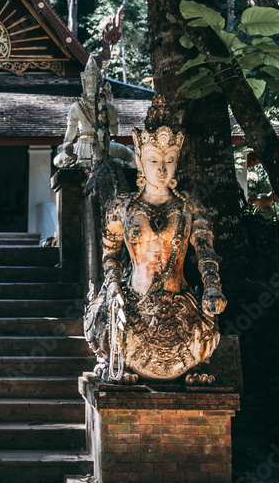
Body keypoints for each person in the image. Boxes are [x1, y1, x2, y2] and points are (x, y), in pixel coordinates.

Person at [85, 95, 226, 381]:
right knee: (105, 325)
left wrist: (212, 287)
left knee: (206, 335)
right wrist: (113, 290)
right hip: (134, 301)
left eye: (169, 160)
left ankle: (193, 366)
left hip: (180, 302)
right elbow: (110, 255)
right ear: (140, 160)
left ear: (177, 161)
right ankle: (117, 362)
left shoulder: (190, 206)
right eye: (153, 160)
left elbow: (206, 253)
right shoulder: (122, 208)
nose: (162, 169)